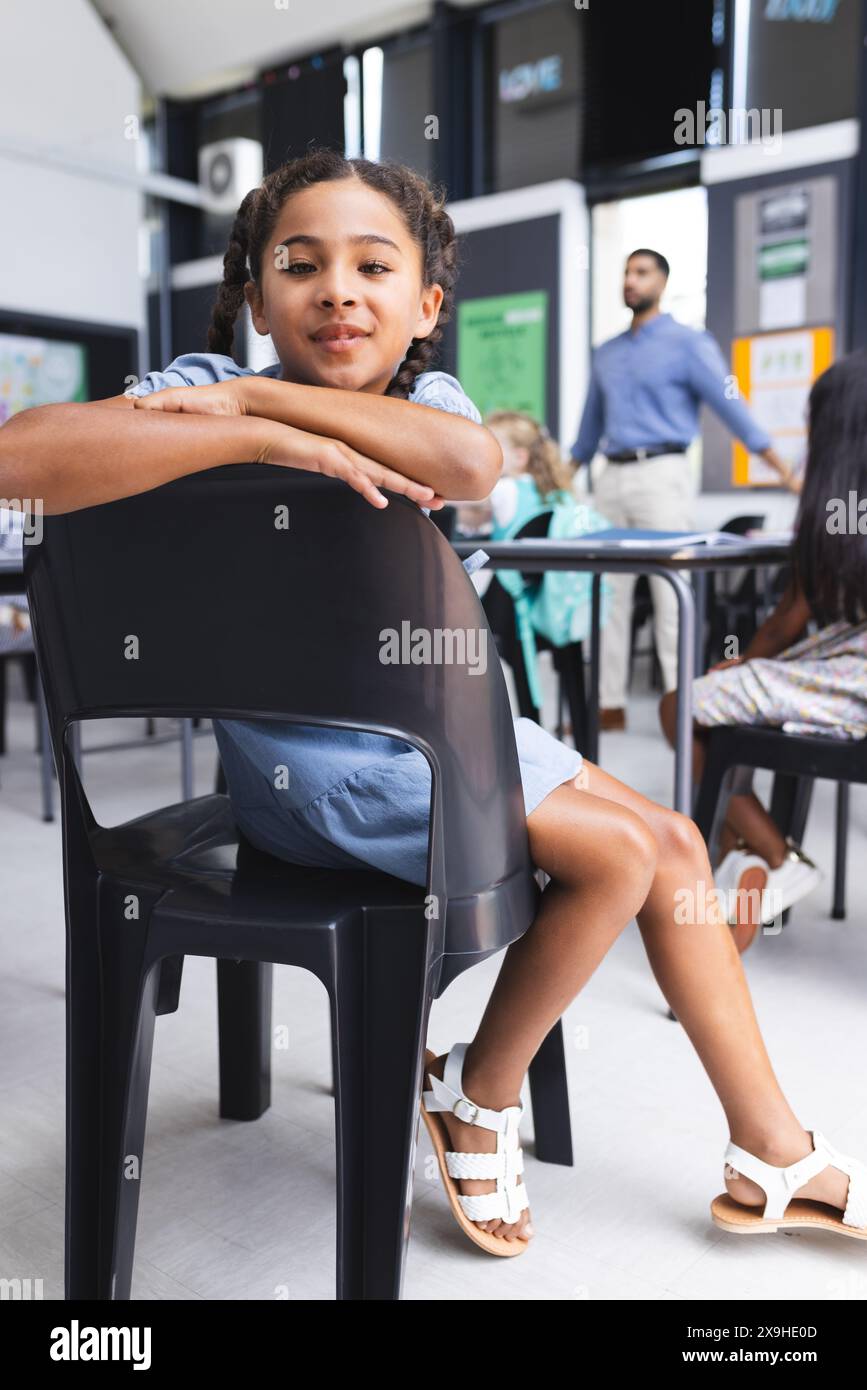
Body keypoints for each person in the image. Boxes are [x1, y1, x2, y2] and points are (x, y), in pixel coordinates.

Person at [4, 148, 866, 1258]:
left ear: (426, 305)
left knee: (673, 845)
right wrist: (262, 435)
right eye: (300, 264)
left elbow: (467, 465)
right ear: (257, 294)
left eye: (374, 265)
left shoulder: (429, 400)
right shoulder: (189, 390)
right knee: (630, 852)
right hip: (314, 776)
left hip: (458, 744)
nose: (338, 289)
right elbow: (17, 456)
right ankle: (481, 1088)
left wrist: (266, 396)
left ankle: (767, 1152)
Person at [660, 350, 867, 954]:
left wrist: (744, 662)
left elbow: (785, 624)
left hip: (853, 683)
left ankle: (774, 856)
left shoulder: (835, 506)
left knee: (682, 706)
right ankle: (744, 857)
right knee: (723, 711)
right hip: (848, 673)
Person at [571, 248, 797, 733]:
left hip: (663, 475)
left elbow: (732, 404)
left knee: (670, 592)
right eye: (626, 272)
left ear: (662, 282)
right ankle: (608, 706)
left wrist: (785, 471)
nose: (631, 280)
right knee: (608, 595)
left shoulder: (689, 343)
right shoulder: (606, 353)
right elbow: (588, 431)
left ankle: (685, 706)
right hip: (610, 478)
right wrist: (559, 484)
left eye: (642, 272)